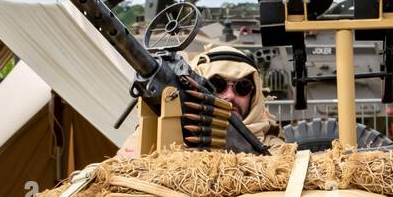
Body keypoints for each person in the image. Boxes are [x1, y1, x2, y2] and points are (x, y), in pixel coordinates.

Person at [116, 42, 282, 158]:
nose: (230, 96)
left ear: (255, 96)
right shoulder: (154, 136)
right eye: (217, 85)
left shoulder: (274, 147)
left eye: (242, 87)